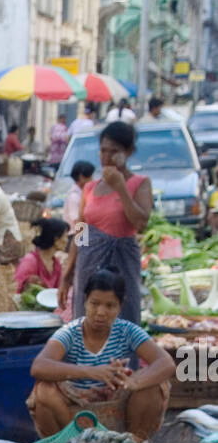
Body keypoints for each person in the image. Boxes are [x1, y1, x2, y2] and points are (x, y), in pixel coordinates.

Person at [27, 268, 174, 440]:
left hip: (116, 401)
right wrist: (91, 371)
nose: (101, 312)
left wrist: (134, 382)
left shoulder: (127, 331)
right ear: (85, 302)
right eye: (94, 303)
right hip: (74, 405)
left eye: (110, 305)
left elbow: (166, 363)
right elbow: (39, 366)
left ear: (120, 305)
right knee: (43, 390)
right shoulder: (70, 332)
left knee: (154, 385)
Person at [58, 120, 152, 324]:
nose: (107, 157)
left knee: (122, 319)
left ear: (128, 152)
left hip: (122, 268)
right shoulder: (90, 188)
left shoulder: (140, 184)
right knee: (88, 321)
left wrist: (121, 187)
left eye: (114, 151)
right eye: (103, 151)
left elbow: (141, 222)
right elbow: (81, 231)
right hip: (89, 267)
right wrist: (68, 274)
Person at [14, 217, 68, 293]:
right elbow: (16, 288)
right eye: (65, 236)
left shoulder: (56, 264)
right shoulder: (30, 261)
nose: (67, 240)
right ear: (56, 239)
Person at [62, 160, 96, 230]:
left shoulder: (82, 193)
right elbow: (78, 223)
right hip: (75, 236)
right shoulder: (74, 197)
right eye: (91, 177)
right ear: (82, 177)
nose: (93, 180)